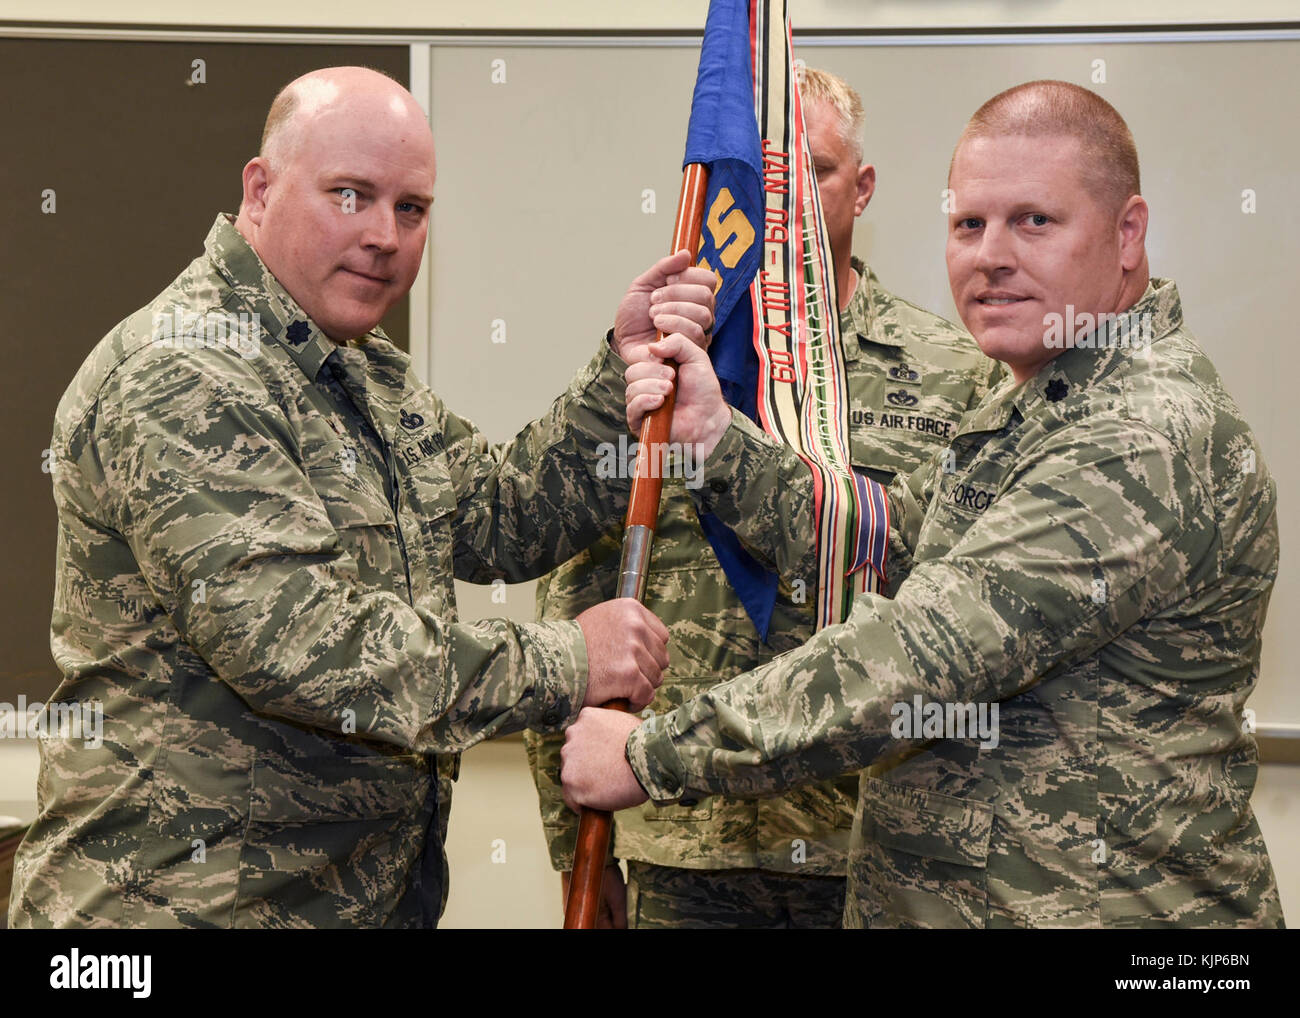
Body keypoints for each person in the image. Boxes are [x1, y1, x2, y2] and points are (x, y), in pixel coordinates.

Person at [562, 80, 1283, 928]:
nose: (991, 256)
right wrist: (720, 444)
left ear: (1128, 234)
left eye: (1035, 221)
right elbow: (886, 540)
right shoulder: (1036, 401)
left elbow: (922, 653)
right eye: (969, 224)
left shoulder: (1141, 432)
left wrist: (652, 756)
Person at [9, 66, 717, 929]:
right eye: (351, 196)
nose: (385, 234)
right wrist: (569, 660)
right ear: (260, 191)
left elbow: (498, 516)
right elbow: (301, 644)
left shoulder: (362, 368)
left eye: (411, 208)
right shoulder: (185, 372)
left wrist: (623, 379)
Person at [524, 68, 996, 928]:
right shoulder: (665, 372)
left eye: (813, 173)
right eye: (766, 183)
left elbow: (965, 611)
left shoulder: (955, 373)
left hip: (878, 844)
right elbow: (576, 608)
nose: (788, 207)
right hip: (684, 846)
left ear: (864, 186)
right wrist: (577, 850)